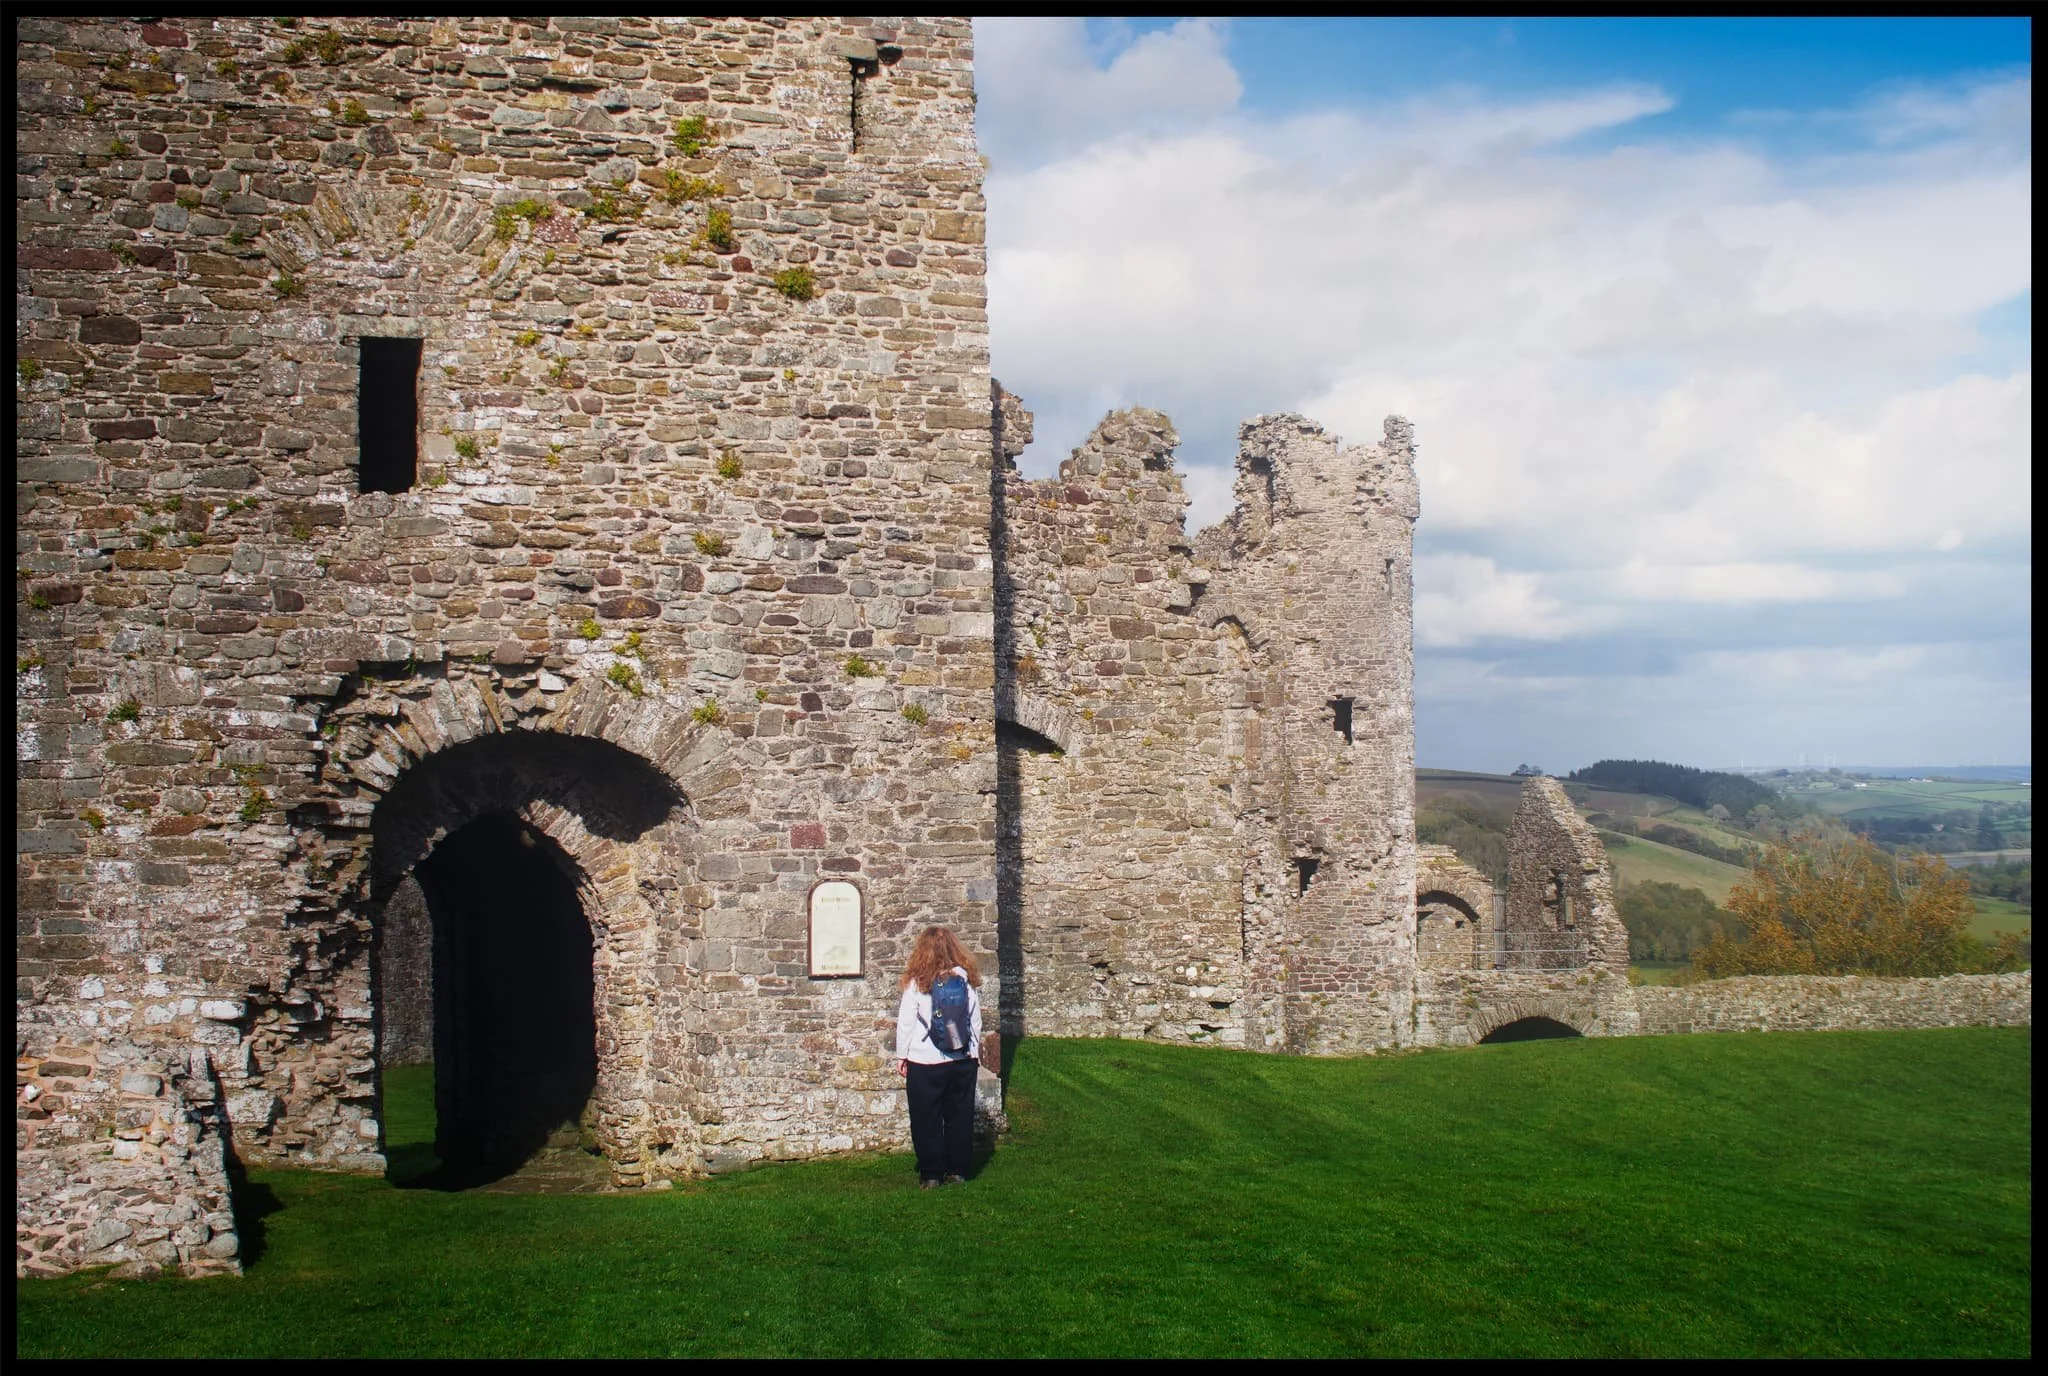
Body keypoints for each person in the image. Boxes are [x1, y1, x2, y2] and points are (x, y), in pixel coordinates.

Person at [894, 925, 983, 1188]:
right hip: (962, 1058)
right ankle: (958, 1170)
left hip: (924, 1059)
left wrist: (902, 1056)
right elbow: (975, 1020)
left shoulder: (917, 982)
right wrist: (973, 1052)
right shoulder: (965, 979)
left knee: (926, 1118)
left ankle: (932, 1174)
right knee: (959, 1116)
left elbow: (906, 1023)